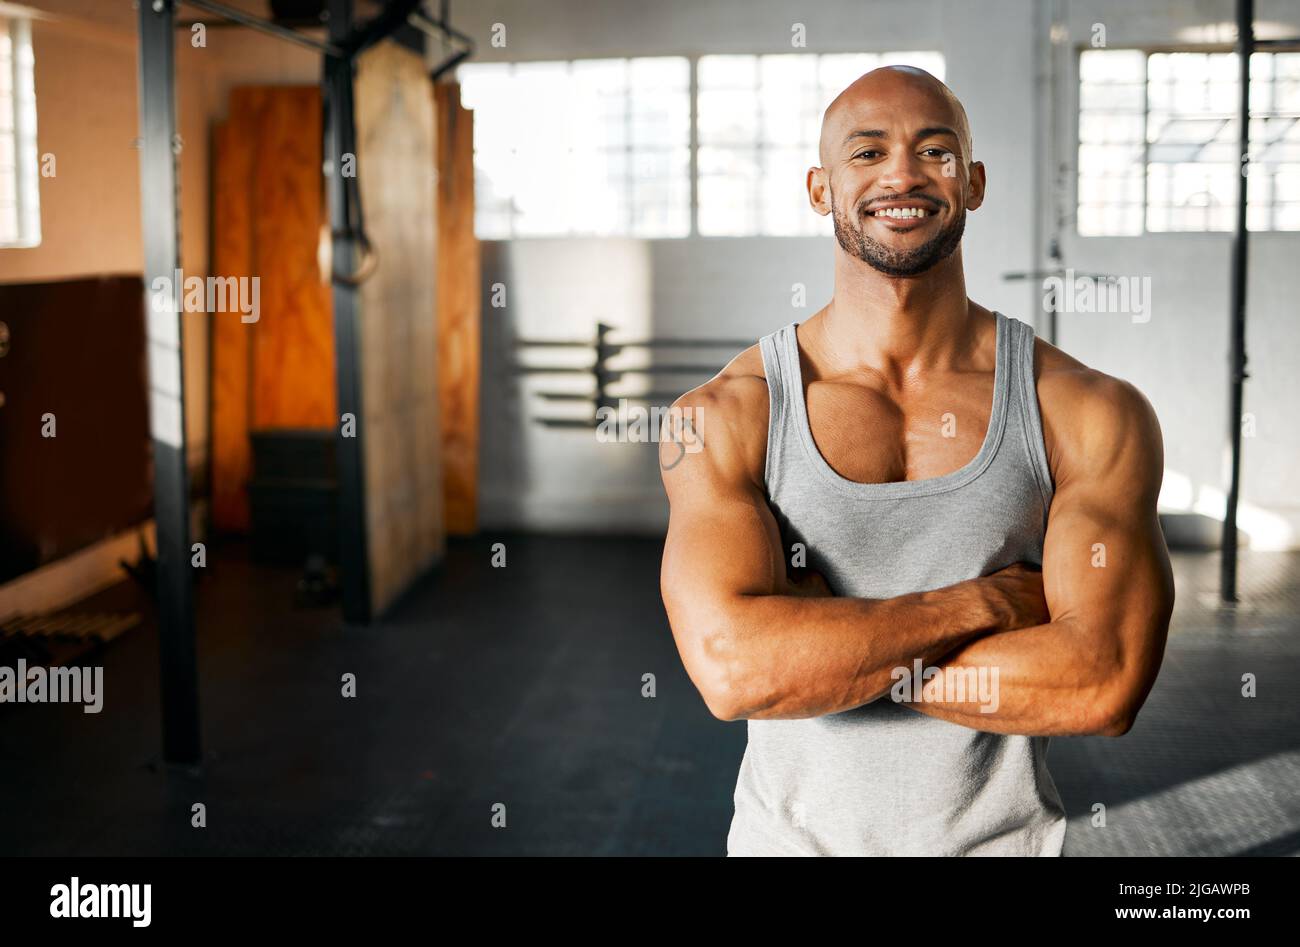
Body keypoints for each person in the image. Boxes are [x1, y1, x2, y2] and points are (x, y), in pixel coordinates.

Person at [657, 66, 1174, 856]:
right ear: (819, 189)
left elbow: (1101, 681)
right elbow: (735, 671)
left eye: (933, 151)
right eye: (866, 153)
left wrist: (822, 655)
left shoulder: (1087, 410)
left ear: (971, 183)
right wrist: (985, 606)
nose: (901, 173)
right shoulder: (727, 415)